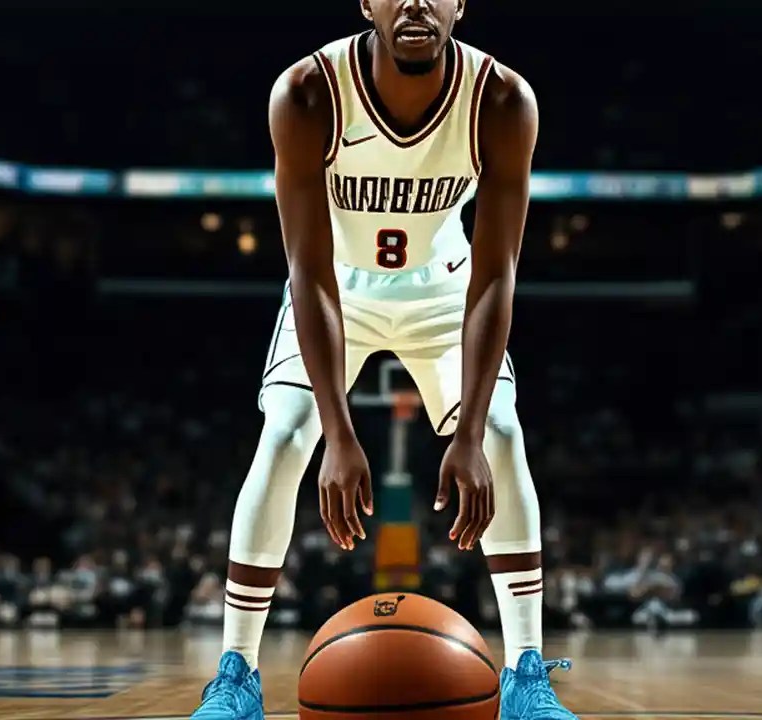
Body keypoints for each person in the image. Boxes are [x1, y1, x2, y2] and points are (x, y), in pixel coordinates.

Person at [191, 2, 575, 719]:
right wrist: (338, 432)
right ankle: (235, 674)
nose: (418, 3)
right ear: (368, 2)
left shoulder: (500, 100)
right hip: (339, 287)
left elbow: (497, 274)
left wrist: (464, 438)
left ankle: (528, 674)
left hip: (445, 287)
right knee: (283, 435)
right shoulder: (308, 92)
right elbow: (307, 271)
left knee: (501, 432)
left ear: (461, 3)